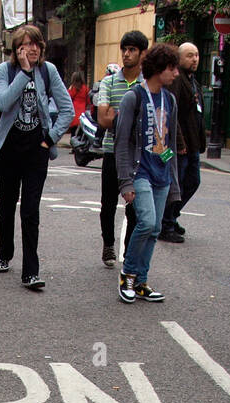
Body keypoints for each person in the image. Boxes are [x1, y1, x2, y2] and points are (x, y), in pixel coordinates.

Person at [0, 23, 73, 291]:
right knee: (7, 204)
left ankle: (31, 272)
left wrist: (50, 139)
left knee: (30, 211)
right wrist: (24, 74)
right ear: (16, 50)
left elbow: (67, 110)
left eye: (36, 44)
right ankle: (5, 253)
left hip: (36, 151)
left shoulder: (48, 72)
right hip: (9, 151)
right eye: (25, 45)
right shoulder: (6, 70)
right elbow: (2, 102)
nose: (32, 49)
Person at [115, 43, 179, 304]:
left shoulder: (170, 99)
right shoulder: (134, 98)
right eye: (172, 68)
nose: (176, 73)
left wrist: (174, 181)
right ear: (159, 69)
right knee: (147, 222)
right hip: (140, 171)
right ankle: (128, 276)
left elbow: (170, 142)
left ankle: (141, 281)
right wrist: (125, 182)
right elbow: (121, 142)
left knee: (154, 230)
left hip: (162, 172)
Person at [97, 32, 147, 268]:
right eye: (124, 49)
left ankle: (128, 249)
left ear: (141, 53)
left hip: (137, 156)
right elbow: (103, 119)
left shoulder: (146, 84)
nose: (126, 54)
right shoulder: (109, 82)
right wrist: (131, 122)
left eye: (132, 50)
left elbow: (148, 121)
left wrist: (118, 117)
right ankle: (108, 244)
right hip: (111, 151)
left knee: (134, 206)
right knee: (107, 204)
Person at [160, 40, 202, 243]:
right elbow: (172, 114)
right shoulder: (177, 80)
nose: (194, 59)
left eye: (196, 55)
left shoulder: (192, 80)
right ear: (179, 58)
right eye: (189, 55)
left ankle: (171, 217)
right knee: (177, 184)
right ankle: (166, 223)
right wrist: (179, 143)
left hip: (193, 143)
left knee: (192, 182)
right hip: (181, 145)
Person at [67, 70, 89, 134]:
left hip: (74, 110)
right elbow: (88, 100)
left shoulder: (72, 88)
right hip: (83, 111)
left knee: (73, 131)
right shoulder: (85, 88)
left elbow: (68, 98)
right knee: (81, 131)